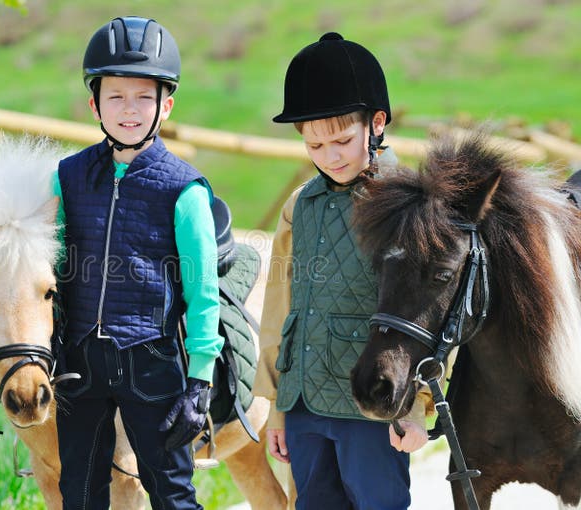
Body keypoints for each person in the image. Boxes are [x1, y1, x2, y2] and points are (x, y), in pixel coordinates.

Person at [253, 32, 431, 510]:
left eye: (342, 140)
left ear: (376, 123)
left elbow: (430, 314)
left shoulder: (410, 203)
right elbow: (280, 309)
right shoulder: (300, 205)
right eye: (314, 144)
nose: (330, 156)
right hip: (305, 404)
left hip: (373, 405)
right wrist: (276, 406)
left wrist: (418, 409)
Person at [52, 16, 222, 510]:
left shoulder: (183, 189)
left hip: (150, 362)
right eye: (116, 96)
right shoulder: (67, 177)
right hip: (80, 362)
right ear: (94, 104)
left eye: (144, 97)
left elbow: (202, 291)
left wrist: (200, 382)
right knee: (78, 493)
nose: (129, 110)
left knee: (171, 493)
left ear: (166, 104)